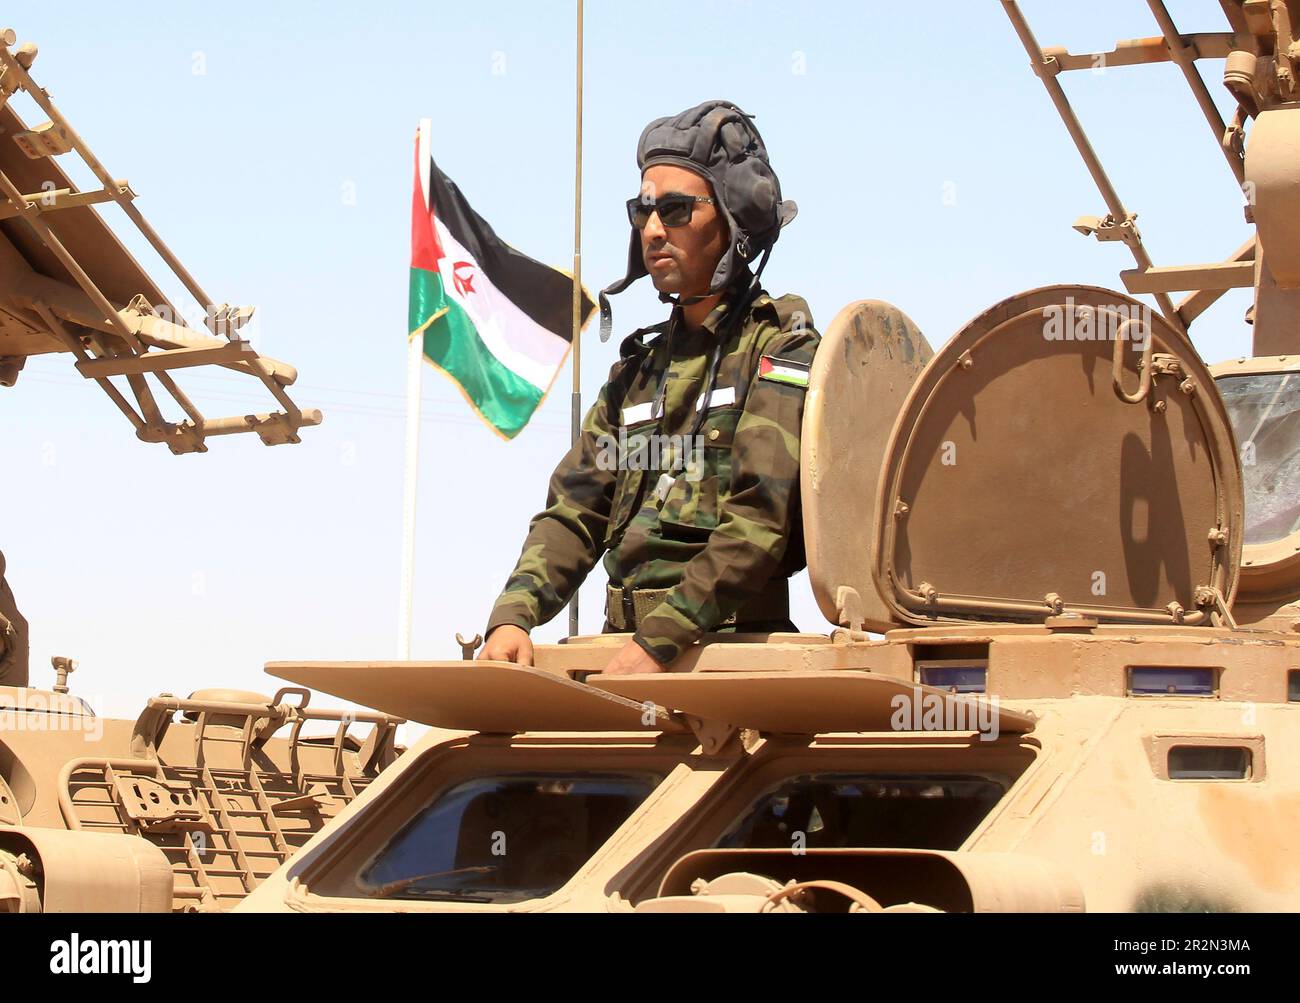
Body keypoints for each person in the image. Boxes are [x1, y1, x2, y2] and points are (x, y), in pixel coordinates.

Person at [480, 99, 819, 675]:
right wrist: (514, 615)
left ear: (734, 218)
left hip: (730, 659)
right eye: (644, 210)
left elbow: (759, 521)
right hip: (625, 651)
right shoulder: (636, 373)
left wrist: (662, 638)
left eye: (678, 209)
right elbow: (576, 508)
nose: (654, 229)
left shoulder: (779, 352)